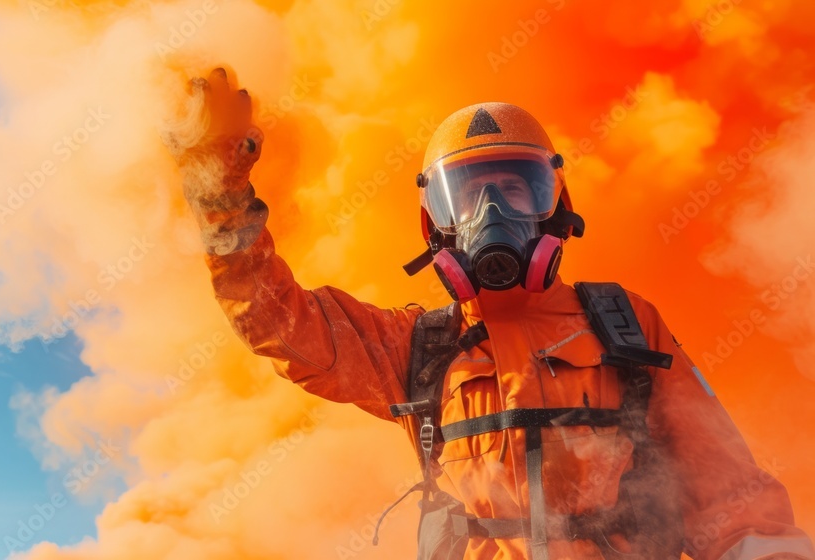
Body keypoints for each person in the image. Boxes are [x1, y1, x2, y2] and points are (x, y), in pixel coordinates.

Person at [166, 67, 815, 560]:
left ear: (556, 204)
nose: (493, 216)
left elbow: (729, 494)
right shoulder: (419, 346)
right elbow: (280, 323)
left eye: (513, 189)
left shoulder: (624, 323)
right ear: (436, 224)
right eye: (471, 197)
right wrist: (220, 198)